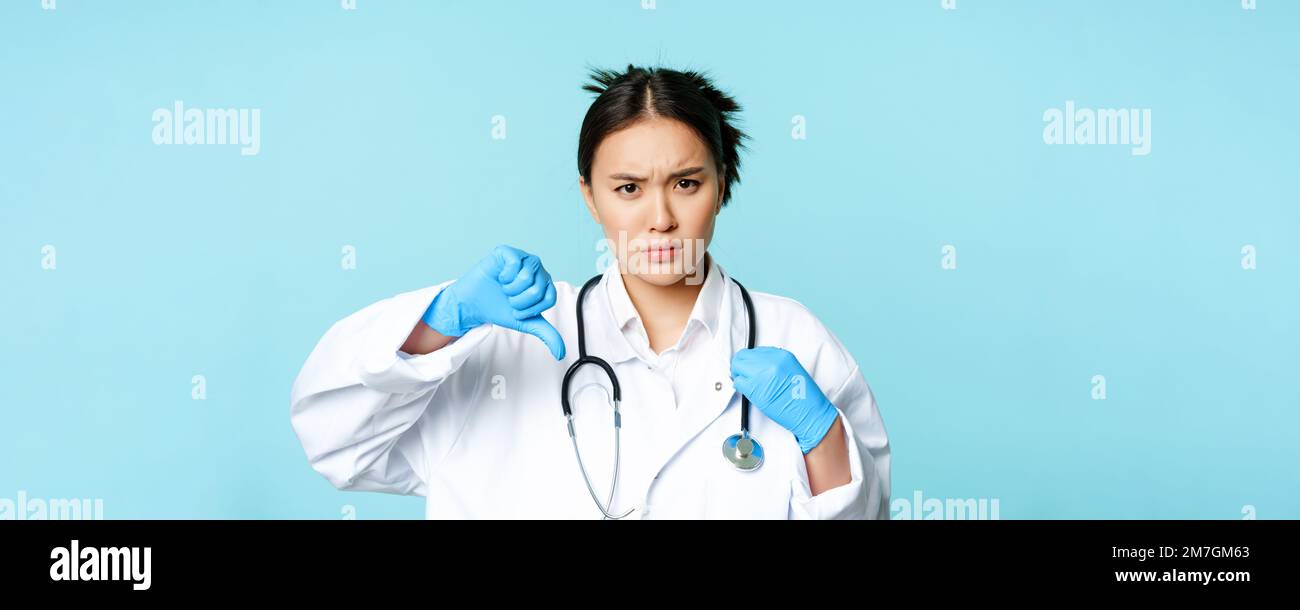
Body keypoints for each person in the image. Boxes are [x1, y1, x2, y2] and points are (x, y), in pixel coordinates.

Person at [290, 65, 890, 519]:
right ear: (589, 195)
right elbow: (338, 444)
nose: (660, 217)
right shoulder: (508, 340)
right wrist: (439, 322)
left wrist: (823, 435)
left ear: (722, 182)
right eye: (628, 188)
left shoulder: (793, 339)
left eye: (686, 182)